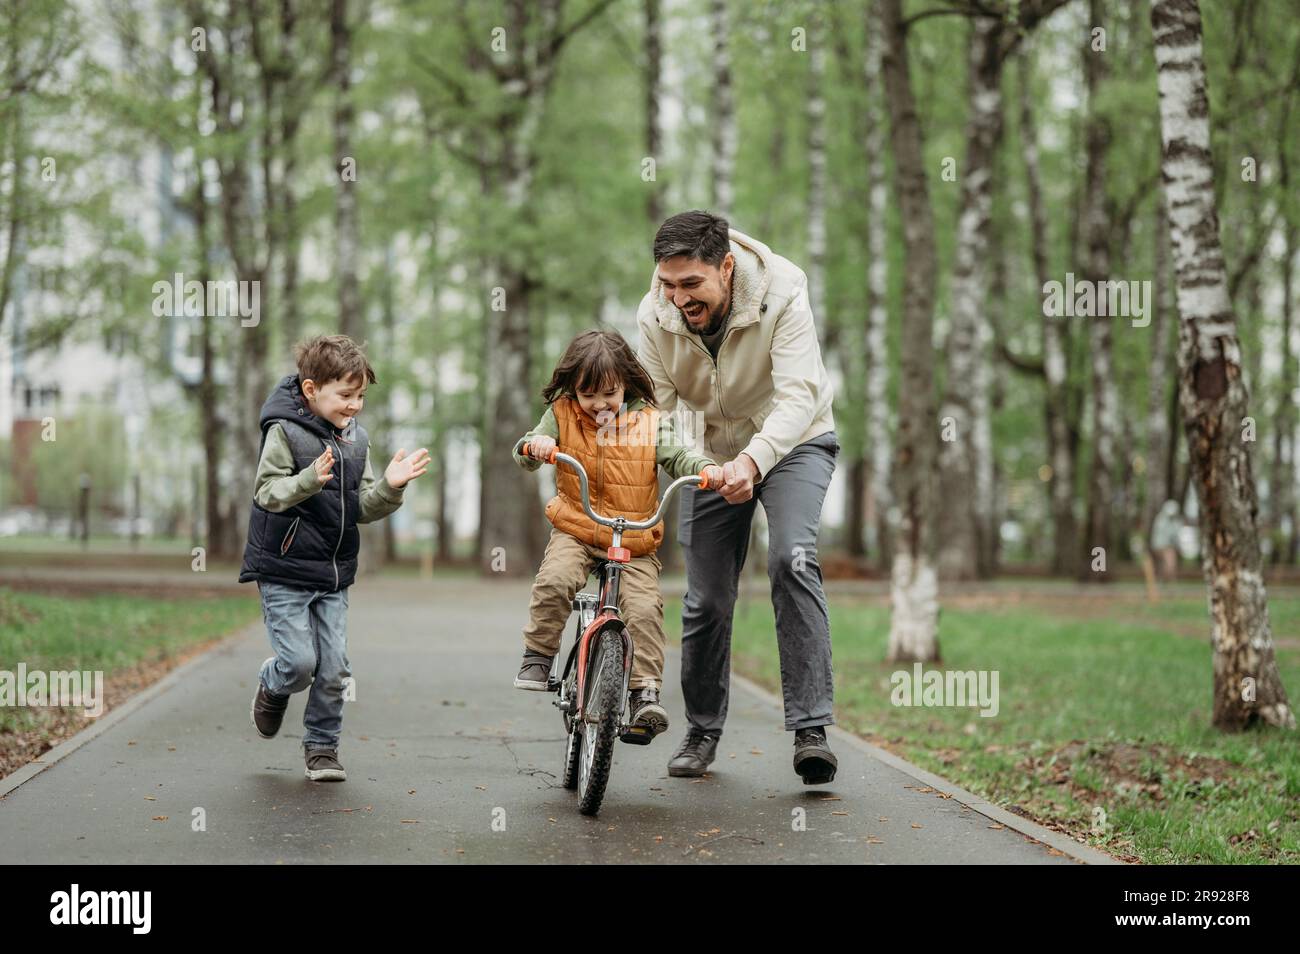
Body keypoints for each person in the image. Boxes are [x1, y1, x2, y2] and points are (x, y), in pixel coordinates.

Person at [636, 210, 841, 784]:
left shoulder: (784, 292)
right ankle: (701, 731)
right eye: (668, 284)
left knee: (790, 559)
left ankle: (811, 729)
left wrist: (753, 460)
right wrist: (705, 463)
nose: (678, 299)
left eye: (691, 284)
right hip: (710, 453)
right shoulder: (654, 312)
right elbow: (657, 407)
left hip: (795, 441)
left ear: (726, 267)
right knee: (705, 598)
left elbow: (800, 394)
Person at [513, 329, 723, 742]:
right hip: (577, 526)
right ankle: (539, 653)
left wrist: (703, 469)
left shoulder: (650, 422)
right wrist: (534, 444)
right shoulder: (561, 413)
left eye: (608, 394)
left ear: (626, 382)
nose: (598, 405)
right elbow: (526, 450)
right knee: (555, 580)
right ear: (573, 390)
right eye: (587, 395)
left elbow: (678, 455)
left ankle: (644, 692)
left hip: (634, 538)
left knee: (644, 609)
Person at [239, 334, 429, 782]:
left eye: (361, 395)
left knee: (334, 667)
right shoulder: (283, 431)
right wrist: (307, 480)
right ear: (311, 390)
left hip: (332, 573)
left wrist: (390, 487)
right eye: (346, 395)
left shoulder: (355, 439)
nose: (355, 405)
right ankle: (273, 682)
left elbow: (361, 505)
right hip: (284, 571)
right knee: (300, 665)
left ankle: (322, 747)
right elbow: (266, 493)